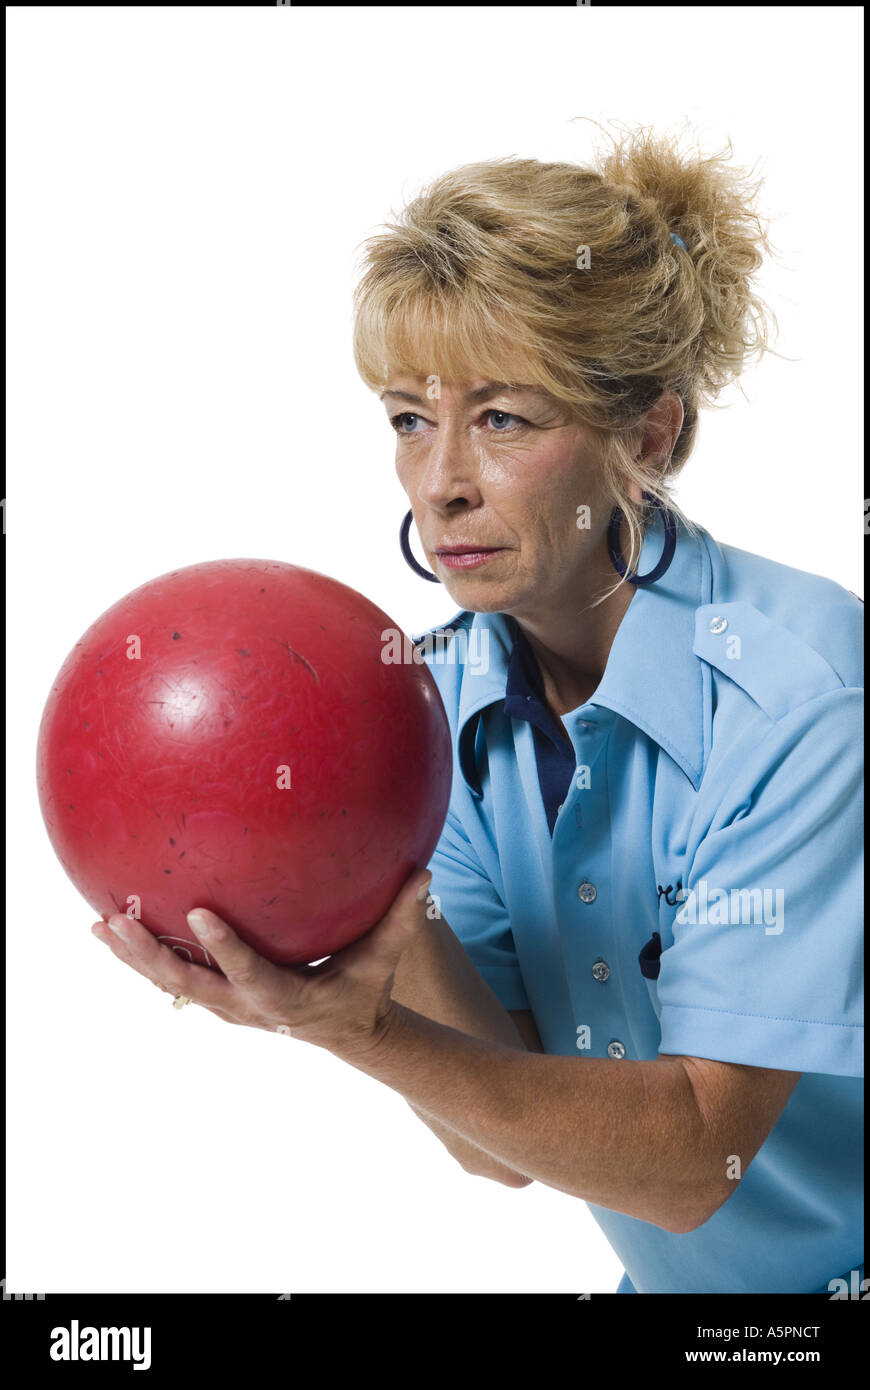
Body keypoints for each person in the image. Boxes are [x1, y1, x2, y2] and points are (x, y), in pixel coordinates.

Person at [94, 123, 863, 1294]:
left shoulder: (804, 697)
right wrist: (343, 935)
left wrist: (361, 1031)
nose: (442, 476)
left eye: (503, 419)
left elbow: (691, 1158)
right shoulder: (430, 704)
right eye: (410, 416)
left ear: (646, 435)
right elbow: (489, 1135)